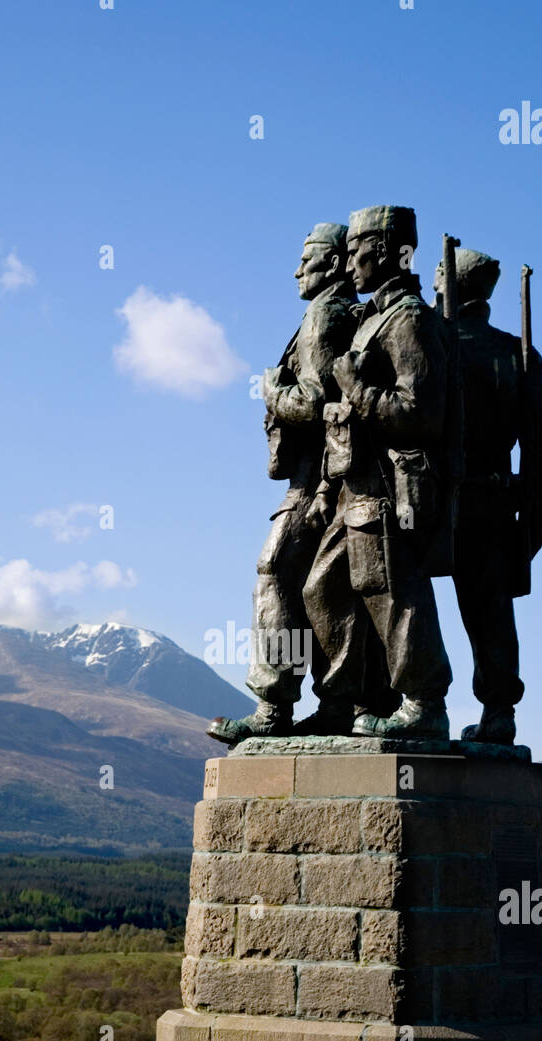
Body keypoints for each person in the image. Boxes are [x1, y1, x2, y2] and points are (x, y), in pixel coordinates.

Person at [207, 223, 363, 745]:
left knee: (275, 569)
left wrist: (272, 390)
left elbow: (317, 403)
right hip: (334, 479)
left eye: (308, 258)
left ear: (336, 263)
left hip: (318, 480)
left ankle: (274, 705)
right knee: (324, 589)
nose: (298, 269)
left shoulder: (324, 315)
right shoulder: (340, 313)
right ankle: (336, 703)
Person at [302, 204, 453, 738]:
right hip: (354, 483)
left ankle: (425, 704)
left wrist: (356, 388)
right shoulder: (373, 318)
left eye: (356, 248)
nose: (348, 258)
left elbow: (421, 414)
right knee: (323, 589)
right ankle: (339, 703)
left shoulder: (408, 317)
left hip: (391, 485)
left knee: (393, 590)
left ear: (386, 251)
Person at [436, 247, 542, 744]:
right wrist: (536, 517)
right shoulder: (519, 355)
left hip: (429, 498)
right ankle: (498, 711)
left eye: (439, 276)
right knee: (490, 609)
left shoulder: (432, 339)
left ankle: (405, 702)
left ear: (452, 283)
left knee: (401, 598)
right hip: (492, 502)